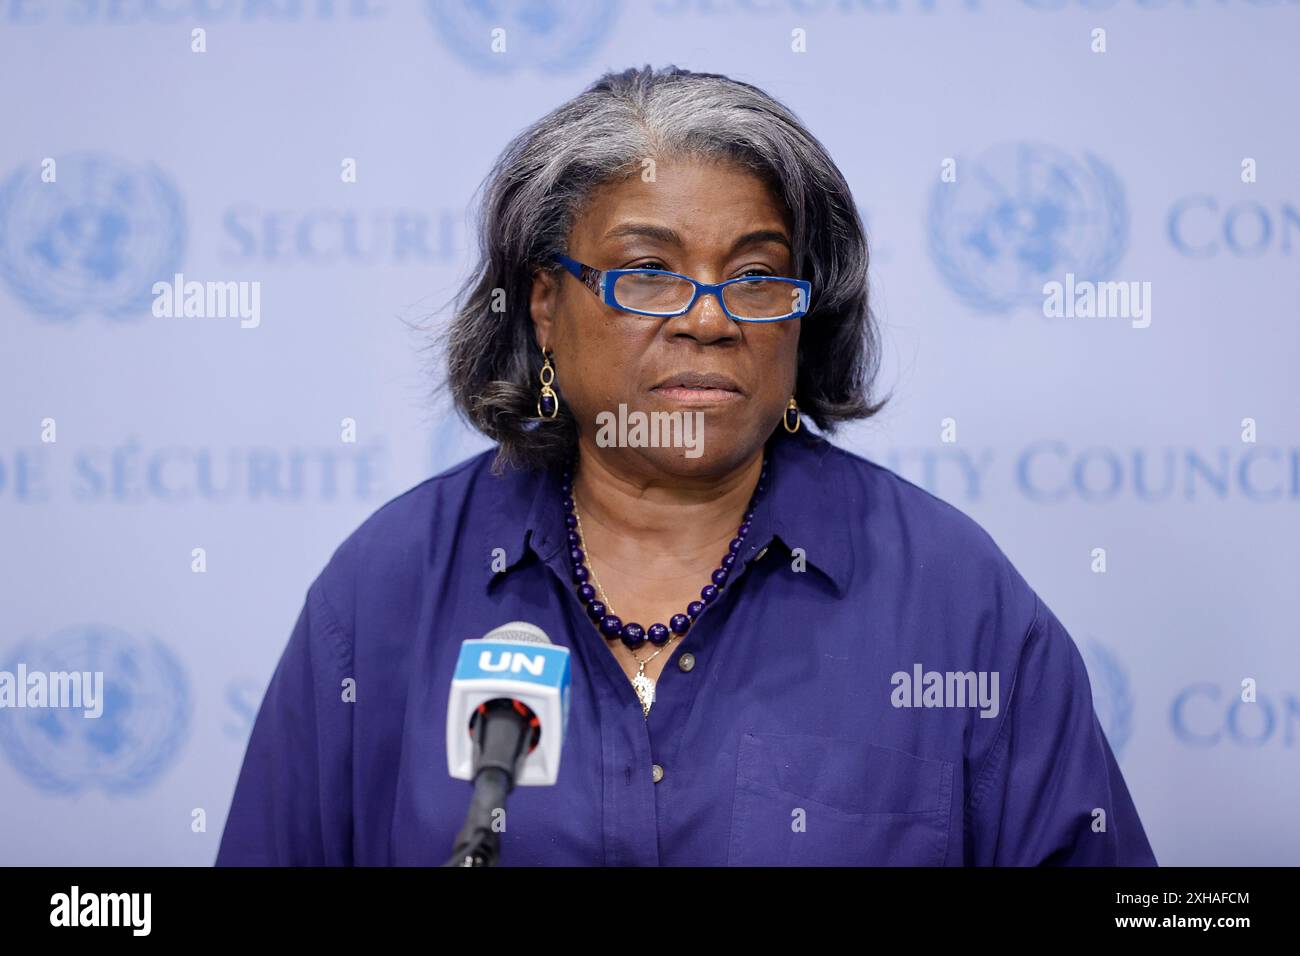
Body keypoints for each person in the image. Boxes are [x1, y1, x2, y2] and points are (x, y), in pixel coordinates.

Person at [216, 65, 1156, 866]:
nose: (709, 317)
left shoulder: (954, 600)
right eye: (649, 272)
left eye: (755, 277)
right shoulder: (389, 591)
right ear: (546, 305)